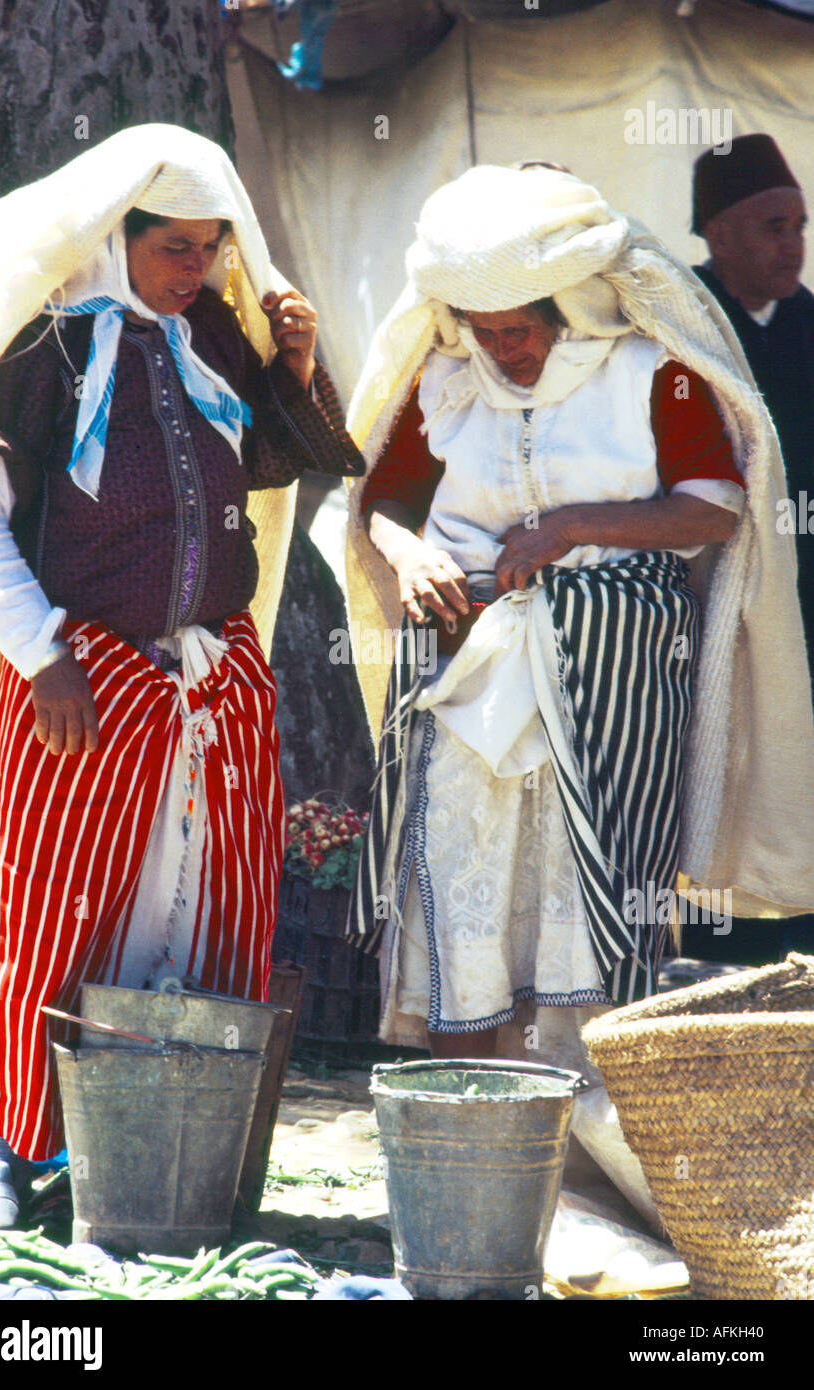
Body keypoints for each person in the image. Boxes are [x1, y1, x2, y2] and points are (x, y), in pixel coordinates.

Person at [0, 123, 364, 1229]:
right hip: (79, 684)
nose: (196, 270)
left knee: (196, 909)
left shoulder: (213, 336)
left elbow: (280, 457)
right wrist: (42, 655)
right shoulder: (46, 353)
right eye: (173, 247)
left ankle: (174, 1144)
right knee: (49, 913)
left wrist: (295, 367)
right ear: (113, 236)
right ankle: (9, 1146)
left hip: (204, 686)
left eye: (210, 248)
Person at [343, 166, 814, 1106]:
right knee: (458, 857)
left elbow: (714, 512)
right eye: (484, 329)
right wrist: (403, 554)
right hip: (461, 661)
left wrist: (570, 527)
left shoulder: (651, 371)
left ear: (565, 305)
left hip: (612, 664)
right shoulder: (445, 378)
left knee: (585, 862)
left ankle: (584, 1106)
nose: (501, 348)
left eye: (517, 329)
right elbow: (380, 499)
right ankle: (468, 1093)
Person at [689, 132, 814, 965]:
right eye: (771, 226)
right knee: (721, 763)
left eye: (799, 225)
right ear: (717, 235)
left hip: (809, 600)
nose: (791, 244)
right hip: (717, 592)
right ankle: (710, 962)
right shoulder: (685, 328)